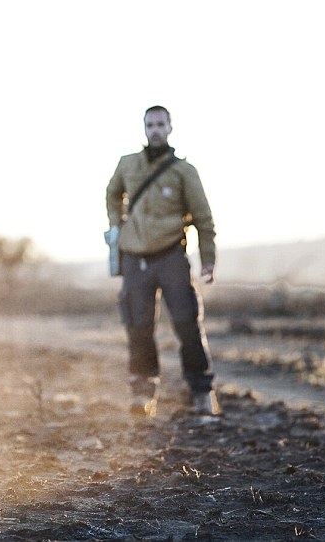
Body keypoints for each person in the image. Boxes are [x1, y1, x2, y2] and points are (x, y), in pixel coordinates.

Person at [105, 105, 220, 417]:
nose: (155, 129)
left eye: (160, 124)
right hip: (134, 259)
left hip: (171, 256)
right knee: (138, 327)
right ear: (144, 128)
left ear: (170, 128)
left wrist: (208, 259)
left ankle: (201, 393)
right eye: (150, 124)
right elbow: (112, 192)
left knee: (186, 324)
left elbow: (203, 218)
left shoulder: (184, 171)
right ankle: (142, 394)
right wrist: (118, 224)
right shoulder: (127, 164)